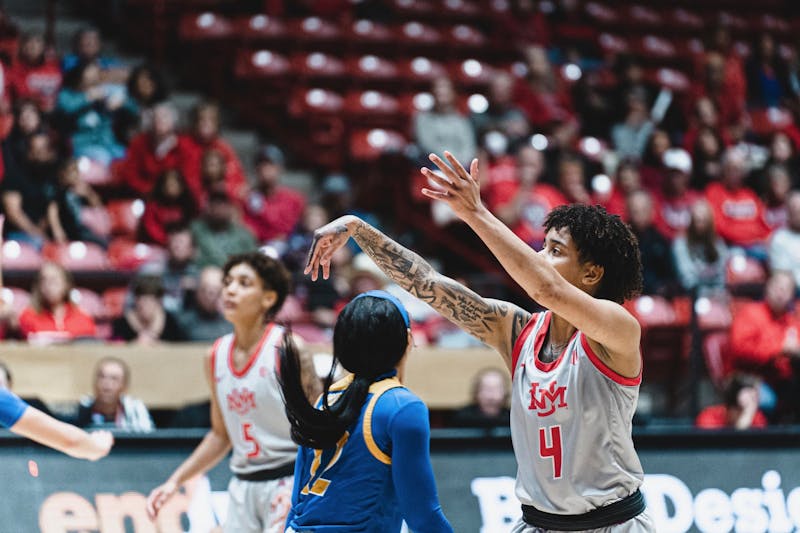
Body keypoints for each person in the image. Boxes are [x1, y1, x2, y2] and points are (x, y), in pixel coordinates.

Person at [306, 151, 653, 531]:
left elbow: (546, 288)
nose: (539, 257)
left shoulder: (619, 329)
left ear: (591, 274)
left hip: (612, 523)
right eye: (542, 246)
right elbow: (428, 284)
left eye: (555, 251)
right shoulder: (519, 331)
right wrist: (359, 229)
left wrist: (475, 213)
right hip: (538, 523)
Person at [146, 251, 321, 533]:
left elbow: (321, 429)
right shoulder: (215, 354)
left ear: (268, 298)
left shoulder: (288, 349)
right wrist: (174, 481)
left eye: (243, 283)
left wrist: (311, 491)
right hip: (243, 485)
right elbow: (220, 435)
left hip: (289, 479)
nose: (229, 289)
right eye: (228, 282)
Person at [279, 290, 453, 532]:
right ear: (408, 339)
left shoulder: (327, 399)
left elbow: (298, 501)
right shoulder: (402, 407)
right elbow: (422, 516)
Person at [729, 271, 800, 419]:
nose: (780, 293)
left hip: (785, 379)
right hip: (750, 378)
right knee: (768, 400)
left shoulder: (793, 319)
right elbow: (740, 349)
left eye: (786, 289)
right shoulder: (750, 313)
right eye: (777, 287)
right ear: (767, 288)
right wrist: (779, 349)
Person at [240, 144, 306, 244]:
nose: (265, 170)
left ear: (280, 168)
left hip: (287, 248)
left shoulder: (294, 199)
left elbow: (293, 229)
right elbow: (247, 229)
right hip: (257, 246)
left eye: (270, 165)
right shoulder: (246, 197)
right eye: (262, 165)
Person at [19, 261, 97, 342]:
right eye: (44, 280)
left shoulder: (83, 319)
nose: (49, 286)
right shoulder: (28, 317)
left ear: (66, 284)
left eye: (54, 281)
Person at [74, 357, 154, 432]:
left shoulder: (135, 409)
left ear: (124, 386)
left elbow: (147, 438)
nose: (106, 383)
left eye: (114, 378)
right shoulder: (81, 410)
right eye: (102, 377)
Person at [672, 199, 729, 293]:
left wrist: (718, 291)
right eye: (697, 220)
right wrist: (709, 275)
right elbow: (687, 278)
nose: (700, 225)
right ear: (691, 221)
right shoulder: (680, 243)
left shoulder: (718, 243)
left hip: (717, 291)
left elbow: (722, 274)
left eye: (704, 221)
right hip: (692, 293)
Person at [191, 191, 257, 268]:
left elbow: (254, 258)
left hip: (238, 272)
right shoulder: (197, 230)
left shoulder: (243, 234)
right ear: (209, 209)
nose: (219, 211)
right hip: (208, 271)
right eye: (216, 206)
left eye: (223, 207)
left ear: (230, 209)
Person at [111, 275, 185, 343]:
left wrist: (158, 345)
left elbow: (182, 346)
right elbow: (114, 346)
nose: (145, 306)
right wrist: (135, 344)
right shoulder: (121, 324)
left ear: (159, 301)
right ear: (136, 300)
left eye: (150, 301)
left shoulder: (171, 323)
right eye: (142, 301)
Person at [177, 266, 232, 342]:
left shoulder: (231, 324)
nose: (211, 297)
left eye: (217, 291)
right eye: (206, 290)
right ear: (197, 291)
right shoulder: (181, 323)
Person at [695, 374, 768, 430]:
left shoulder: (756, 417)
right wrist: (746, 415)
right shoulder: (708, 418)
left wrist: (749, 412)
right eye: (752, 398)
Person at [769, 191, 800, 288]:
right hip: (794, 290)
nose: (798, 215)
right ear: (788, 213)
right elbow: (781, 275)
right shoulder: (779, 239)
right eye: (795, 211)